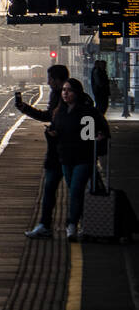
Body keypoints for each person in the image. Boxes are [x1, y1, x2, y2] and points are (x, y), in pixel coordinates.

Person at [15, 64, 68, 238]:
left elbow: (77, 122)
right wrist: (25, 108)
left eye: (50, 79)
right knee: (50, 190)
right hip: (55, 151)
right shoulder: (55, 95)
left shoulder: (75, 98)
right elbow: (48, 117)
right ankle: (46, 225)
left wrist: (60, 131)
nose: (48, 82)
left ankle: (74, 225)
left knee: (75, 191)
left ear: (58, 80)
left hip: (71, 153)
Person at [49, 78, 104, 240]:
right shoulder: (59, 112)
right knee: (74, 191)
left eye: (69, 90)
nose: (65, 93)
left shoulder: (88, 111)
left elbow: (102, 128)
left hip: (84, 158)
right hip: (66, 158)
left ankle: (72, 224)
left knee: (76, 190)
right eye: (64, 90)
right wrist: (52, 134)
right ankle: (83, 222)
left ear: (77, 93)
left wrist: (101, 136)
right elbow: (56, 130)